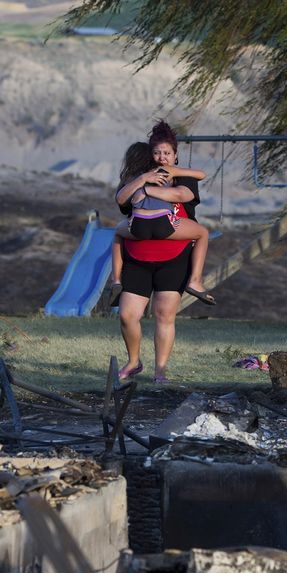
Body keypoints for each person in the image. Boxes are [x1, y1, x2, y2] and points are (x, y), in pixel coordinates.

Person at [110, 121, 212, 384]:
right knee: (127, 315)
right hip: (138, 256)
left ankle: (161, 371)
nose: (162, 158)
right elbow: (122, 201)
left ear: (175, 154)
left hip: (174, 256)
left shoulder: (184, 176)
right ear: (150, 154)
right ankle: (134, 362)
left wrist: (153, 188)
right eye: (157, 153)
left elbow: (185, 194)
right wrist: (143, 180)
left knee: (164, 315)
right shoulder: (139, 176)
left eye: (167, 153)